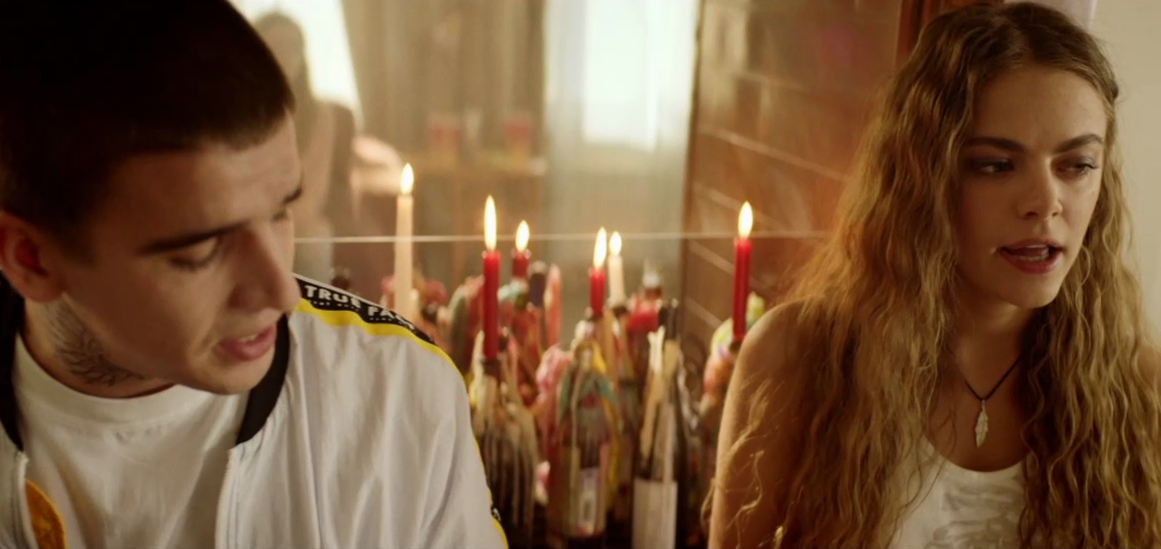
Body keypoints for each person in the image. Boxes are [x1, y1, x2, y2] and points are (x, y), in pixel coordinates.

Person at [0, 2, 506, 548]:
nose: (282, 291)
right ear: (32, 260)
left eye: (281, 211)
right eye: (201, 251)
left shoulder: (398, 399)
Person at [708, 3, 1161, 549]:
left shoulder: (1142, 391)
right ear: (923, 178)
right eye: (995, 165)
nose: (1045, 203)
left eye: (1076, 165)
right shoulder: (798, 360)